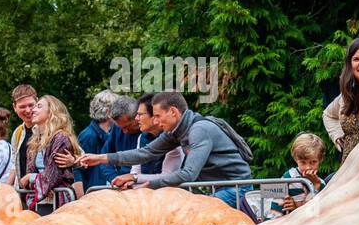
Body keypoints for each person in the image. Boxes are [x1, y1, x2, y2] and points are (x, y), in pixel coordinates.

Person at [76, 91, 254, 209]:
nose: (156, 122)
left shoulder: (199, 130)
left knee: (194, 212)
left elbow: (188, 174)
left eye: (158, 116)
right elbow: (145, 153)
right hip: (218, 189)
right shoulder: (176, 131)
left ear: (174, 112)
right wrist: (101, 158)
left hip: (236, 189)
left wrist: (149, 185)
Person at [17, 95, 84, 213]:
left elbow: (53, 175)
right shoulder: (34, 140)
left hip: (59, 203)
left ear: (51, 111)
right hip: (40, 202)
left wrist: (31, 178)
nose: (33, 110)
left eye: (39, 106)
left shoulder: (60, 138)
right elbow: (28, 178)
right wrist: (42, 185)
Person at [272, 132, 331, 217]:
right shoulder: (291, 178)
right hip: (279, 221)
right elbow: (302, 211)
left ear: (320, 160)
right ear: (296, 159)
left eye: (313, 162)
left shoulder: (321, 183)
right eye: (303, 162)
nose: (308, 167)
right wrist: (315, 186)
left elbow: (318, 209)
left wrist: (317, 185)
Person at [77, 90, 121, 190]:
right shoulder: (88, 136)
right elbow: (80, 168)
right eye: (118, 109)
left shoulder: (113, 133)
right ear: (108, 112)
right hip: (94, 191)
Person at [9, 84, 39, 188]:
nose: (27, 110)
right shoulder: (17, 133)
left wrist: (71, 160)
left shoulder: (50, 129)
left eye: (31, 105)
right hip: (23, 194)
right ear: (14, 107)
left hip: (46, 198)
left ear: (38, 103)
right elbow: (15, 165)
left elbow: (78, 154)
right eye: (22, 106)